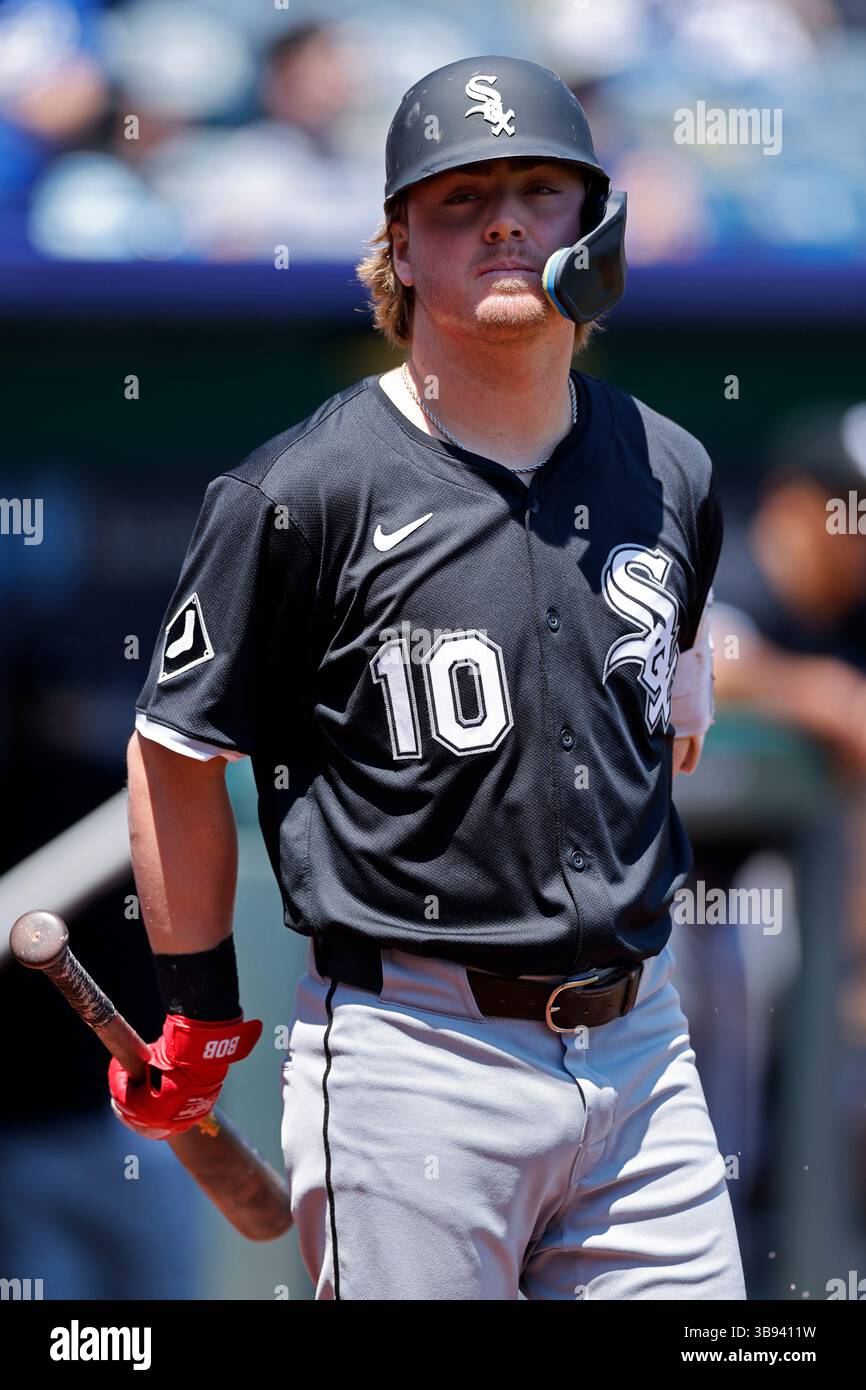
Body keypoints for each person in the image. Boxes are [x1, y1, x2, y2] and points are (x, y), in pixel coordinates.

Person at [110, 56, 745, 1300]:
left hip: (642, 1045)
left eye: (537, 189)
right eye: (457, 199)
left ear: (593, 228)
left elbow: (671, 710)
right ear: (398, 248)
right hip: (415, 1052)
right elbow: (175, 750)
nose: (504, 219)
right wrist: (193, 1004)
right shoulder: (299, 493)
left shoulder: (670, 469)